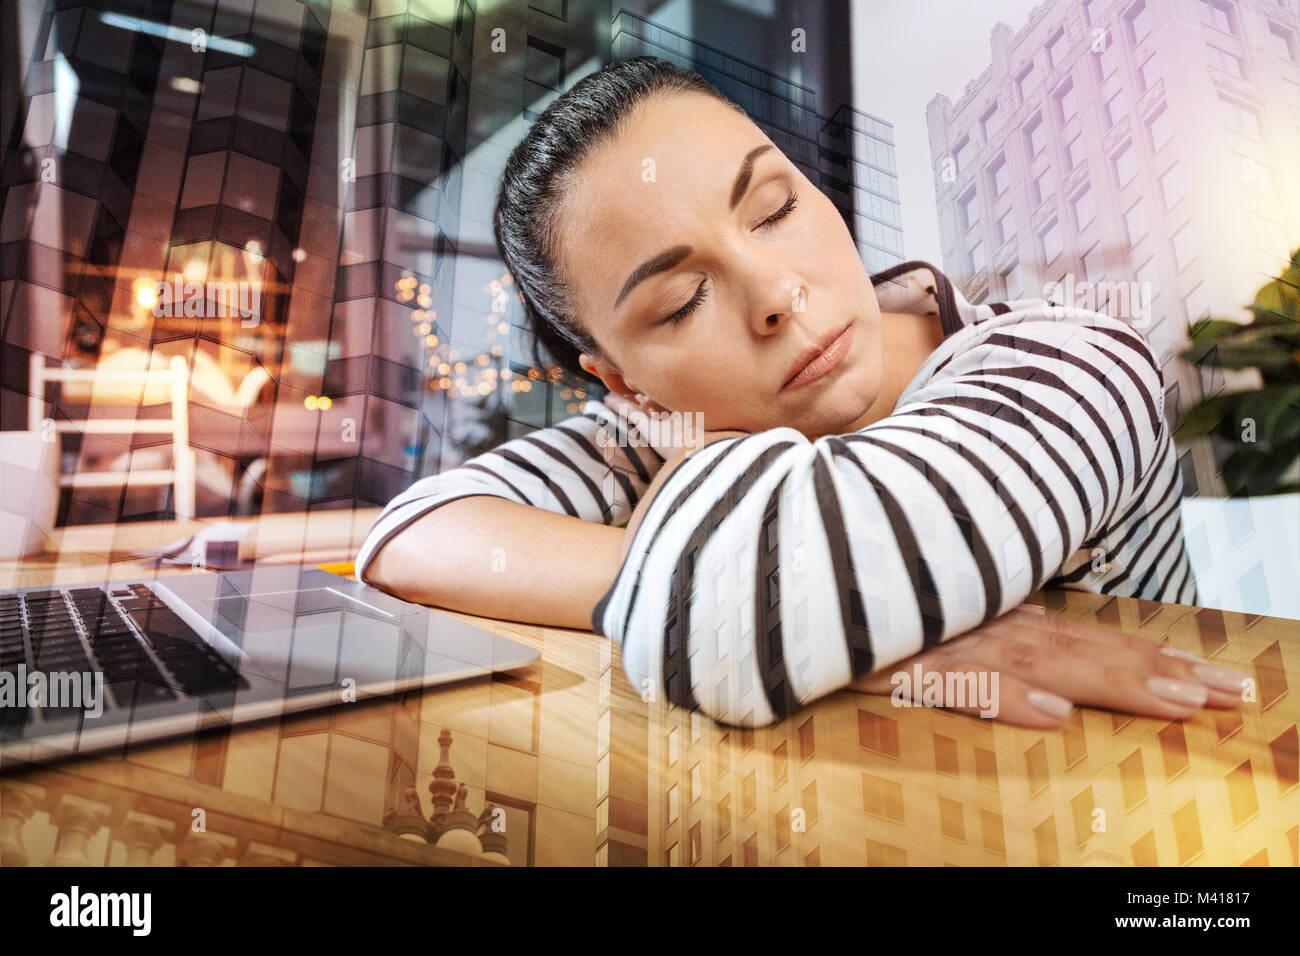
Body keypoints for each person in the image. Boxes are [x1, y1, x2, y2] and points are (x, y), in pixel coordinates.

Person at [356, 56, 1247, 729]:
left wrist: (777, 600)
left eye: (775, 207)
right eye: (682, 300)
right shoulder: (667, 425)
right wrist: (779, 602)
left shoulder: (1073, 363)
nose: (777, 293)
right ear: (627, 384)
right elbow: (411, 534)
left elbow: (752, 619)